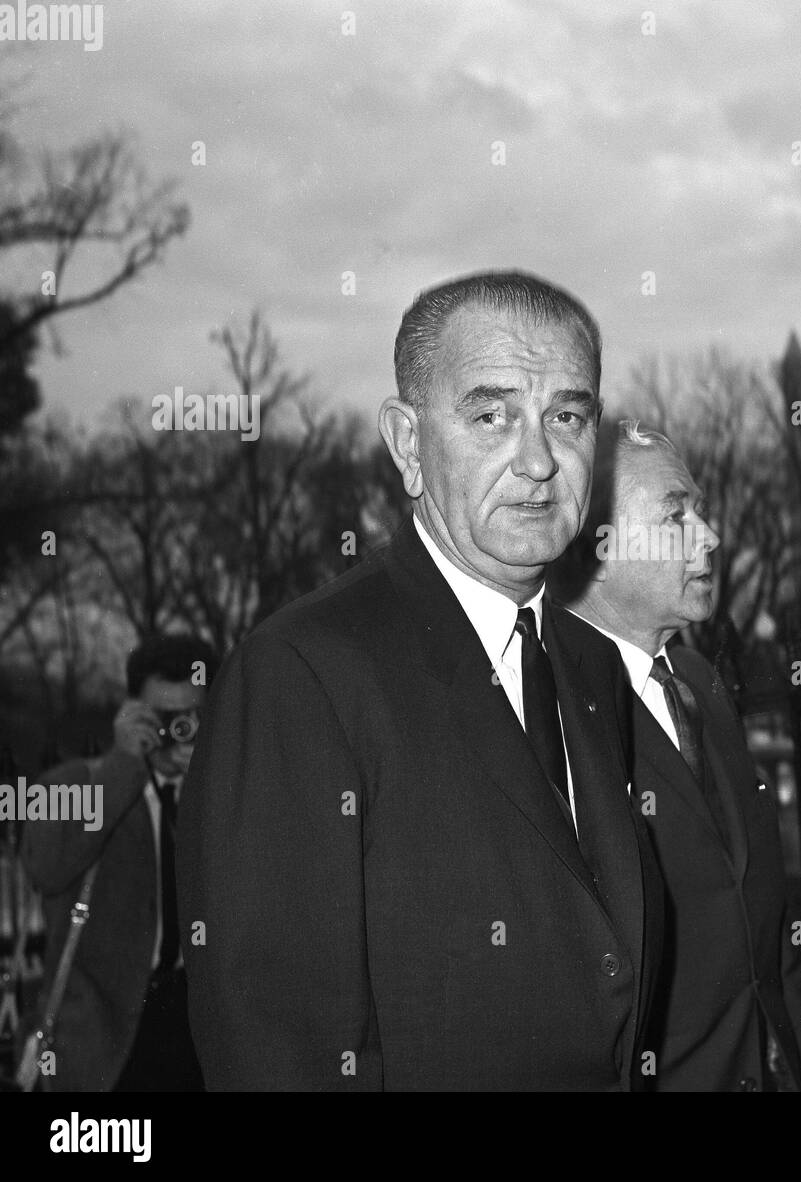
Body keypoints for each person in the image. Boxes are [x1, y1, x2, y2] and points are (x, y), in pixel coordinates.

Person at [177, 271, 663, 1091]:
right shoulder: (301, 677)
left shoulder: (590, 668)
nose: (540, 460)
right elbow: (279, 1052)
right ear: (407, 444)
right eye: (490, 415)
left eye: (568, 416)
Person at [553, 420, 801, 1091]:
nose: (708, 535)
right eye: (677, 514)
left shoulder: (700, 681)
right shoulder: (547, 715)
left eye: (700, 510)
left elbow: (771, 937)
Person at [21, 633, 215, 1091]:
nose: (181, 730)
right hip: (101, 1042)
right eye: (167, 718)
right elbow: (46, 868)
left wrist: (212, 770)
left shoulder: (217, 792)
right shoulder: (73, 785)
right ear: (132, 711)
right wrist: (125, 763)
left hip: (196, 1033)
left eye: (194, 716)